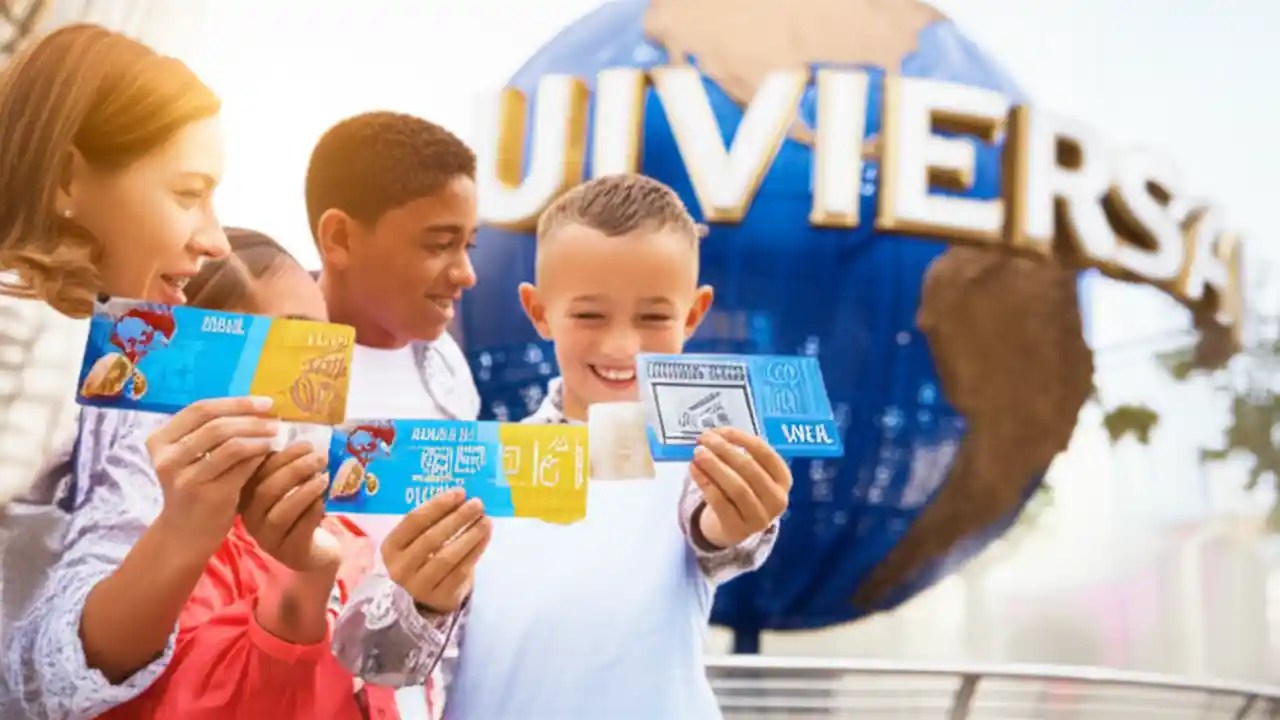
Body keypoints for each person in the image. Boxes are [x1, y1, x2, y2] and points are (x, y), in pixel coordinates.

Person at [333, 174, 794, 719]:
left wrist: (740, 515)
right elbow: (371, 660)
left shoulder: (698, 463)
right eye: (589, 315)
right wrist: (420, 601)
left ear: (693, 315)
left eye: (653, 316)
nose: (622, 345)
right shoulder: (476, 467)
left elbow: (721, 531)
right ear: (539, 311)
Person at [0, 25, 284, 718]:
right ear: (69, 179)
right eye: (188, 194)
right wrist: (188, 527)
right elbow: (43, 687)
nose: (213, 240)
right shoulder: (78, 355)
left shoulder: (123, 372)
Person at [77, 229, 400, 719]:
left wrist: (430, 604)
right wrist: (297, 595)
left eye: (329, 343)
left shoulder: (342, 536)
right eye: (291, 344)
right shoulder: (129, 538)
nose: (323, 377)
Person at [308, 111, 485, 719]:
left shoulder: (448, 368)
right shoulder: (268, 362)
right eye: (439, 245)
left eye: (468, 245)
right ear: (339, 238)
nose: (466, 273)